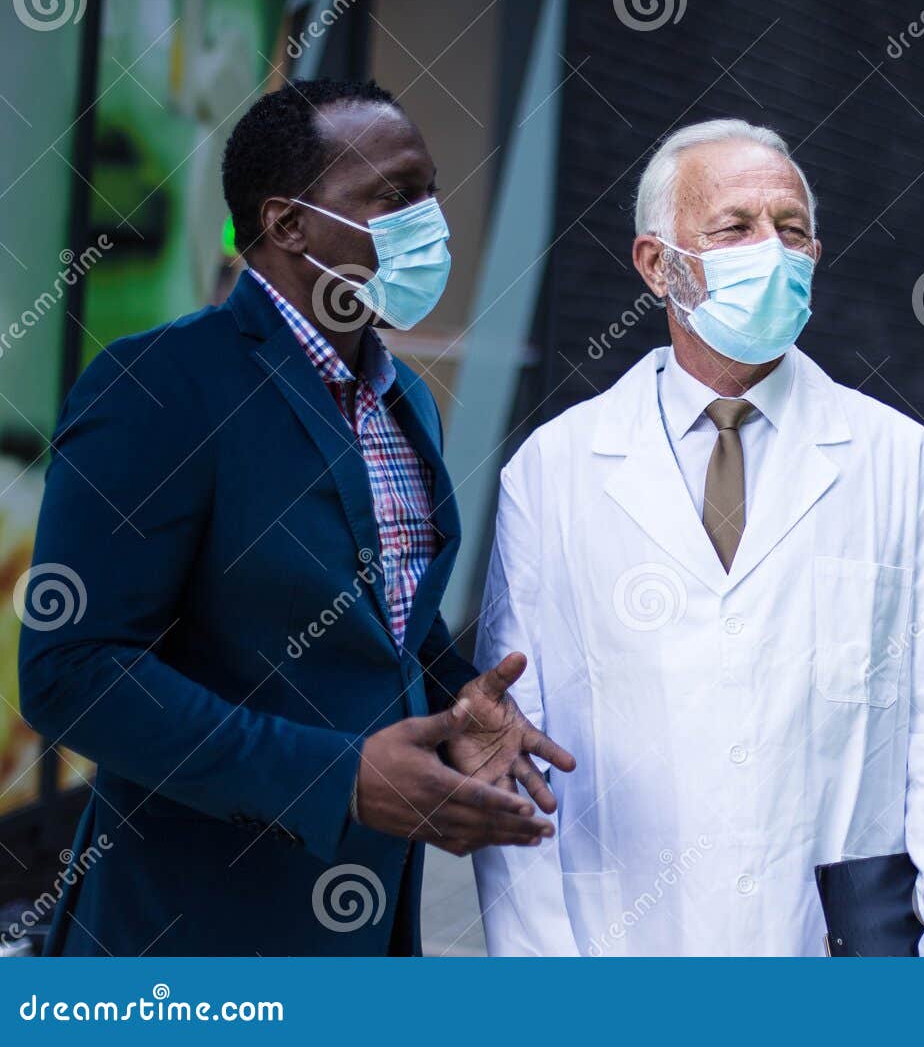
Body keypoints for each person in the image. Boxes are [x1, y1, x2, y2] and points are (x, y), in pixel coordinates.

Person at [19, 78, 573, 955]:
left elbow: (383, 627)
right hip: (190, 938)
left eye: (429, 191)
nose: (428, 220)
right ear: (286, 226)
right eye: (393, 197)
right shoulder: (162, 386)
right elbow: (73, 673)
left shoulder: (405, 402)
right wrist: (335, 780)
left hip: (367, 928)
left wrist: (457, 696)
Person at [472, 119, 924, 955]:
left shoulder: (900, 461)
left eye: (791, 229)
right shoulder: (553, 470)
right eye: (736, 228)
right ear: (658, 265)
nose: (774, 249)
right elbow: (519, 746)